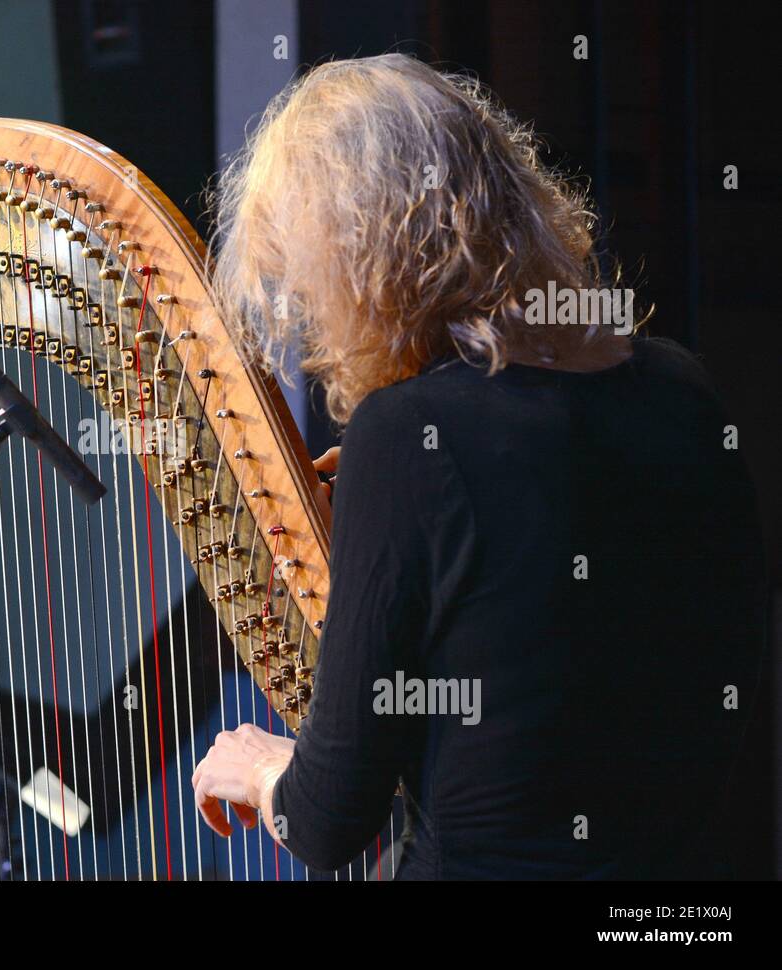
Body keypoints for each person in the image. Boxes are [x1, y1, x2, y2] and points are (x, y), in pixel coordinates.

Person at [191, 54, 766, 878]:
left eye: (307, 285)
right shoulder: (682, 391)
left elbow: (325, 822)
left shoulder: (408, 437)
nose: (314, 325)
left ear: (360, 264)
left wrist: (262, 769)